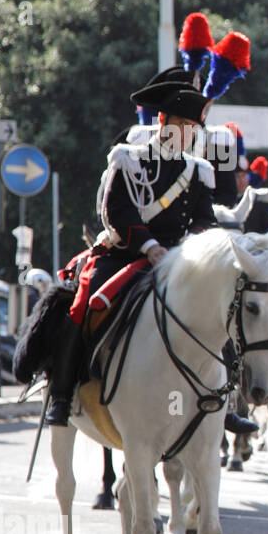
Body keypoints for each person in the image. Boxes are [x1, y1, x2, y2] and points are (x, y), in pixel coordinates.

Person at [44, 77, 218, 425]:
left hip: (178, 260)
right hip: (128, 252)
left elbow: (204, 221)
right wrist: (150, 247)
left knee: (218, 308)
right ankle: (63, 393)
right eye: (181, 126)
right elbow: (115, 212)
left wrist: (189, 248)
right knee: (86, 300)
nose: (186, 135)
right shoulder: (129, 159)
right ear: (162, 122)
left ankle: (224, 398)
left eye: (193, 128)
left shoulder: (198, 171)